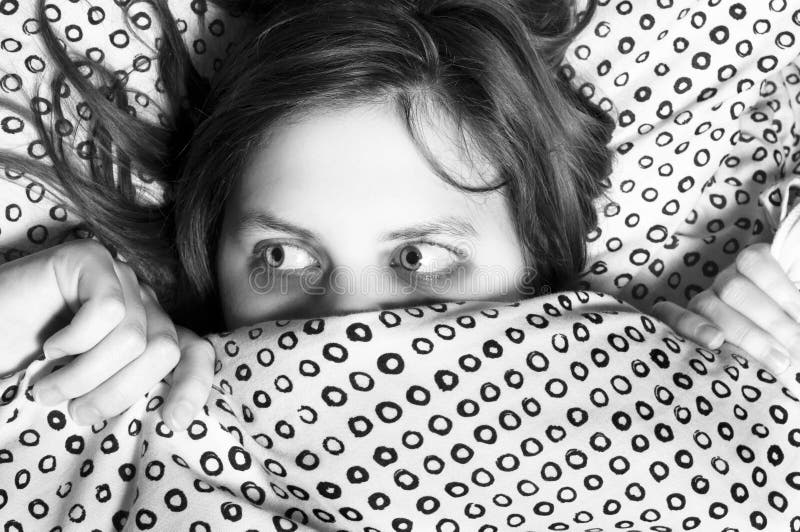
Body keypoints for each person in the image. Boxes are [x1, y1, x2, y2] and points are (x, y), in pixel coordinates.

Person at [0, 0, 795, 434]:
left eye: (419, 259)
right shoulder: (115, 410)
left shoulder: (672, 435)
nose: (341, 327)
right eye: (281, 256)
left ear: (540, 268)